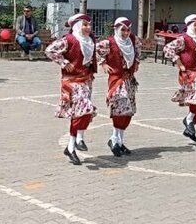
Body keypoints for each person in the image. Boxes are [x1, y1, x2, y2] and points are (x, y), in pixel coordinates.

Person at [45, 13, 97, 165]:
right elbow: (50, 50)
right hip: (72, 81)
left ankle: (75, 143)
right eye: (84, 25)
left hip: (86, 79)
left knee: (82, 113)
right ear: (77, 26)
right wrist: (64, 62)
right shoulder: (69, 40)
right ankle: (73, 144)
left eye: (89, 25)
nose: (88, 28)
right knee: (85, 108)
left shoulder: (91, 40)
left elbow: (93, 56)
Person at [163, 14, 196, 143]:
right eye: (195, 25)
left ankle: (190, 121)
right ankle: (189, 120)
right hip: (189, 73)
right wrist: (179, 62)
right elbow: (167, 49)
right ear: (189, 26)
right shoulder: (183, 39)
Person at [96, 17, 140, 156]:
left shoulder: (133, 40)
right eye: (123, 30)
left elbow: (138, 50)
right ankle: (114, 139)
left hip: (129, 80)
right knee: (120, 109)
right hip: (117, 80)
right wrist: (103, 63)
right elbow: (95, 50)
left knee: (128, 112)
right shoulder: (109, 43)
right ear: (116, 29)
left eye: (128, 30)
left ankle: (119, 141)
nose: (126, 33)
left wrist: (136, 61)